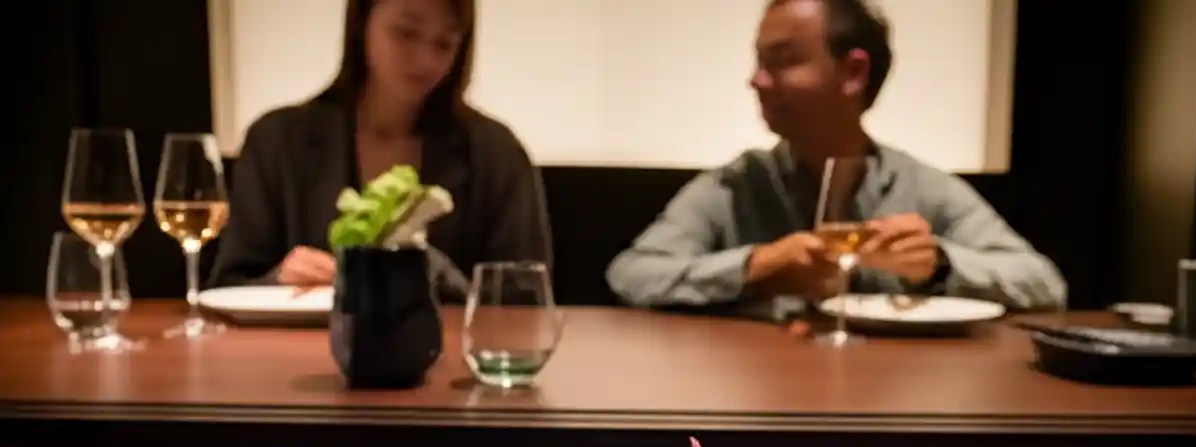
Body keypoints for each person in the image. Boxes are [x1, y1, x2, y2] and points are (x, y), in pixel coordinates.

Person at [606, 0, 1067, 321]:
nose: (756, 80)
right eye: (758, 61)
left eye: (781, 61)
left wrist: (940, 265)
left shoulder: (921, 186)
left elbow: (1044, 285)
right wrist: (753, 269)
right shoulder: (738, 184)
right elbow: (632, 274)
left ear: (854, 72)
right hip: (756, 401)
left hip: (893, 407)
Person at [209, 0, 551, 301]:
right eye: (406, 33)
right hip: (294, 366)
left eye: (444, 43)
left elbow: (527, 299)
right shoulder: (278, 141)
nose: (424, 58)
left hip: (450, 366)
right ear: (362, 23)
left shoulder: (495, 152)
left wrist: (435, 272)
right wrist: (277, 280)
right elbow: (228, 286)